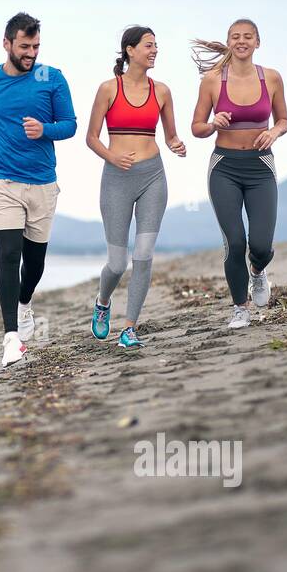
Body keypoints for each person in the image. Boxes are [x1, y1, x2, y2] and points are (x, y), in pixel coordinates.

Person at [0, 12, 76, 366]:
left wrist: (45, 130)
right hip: (1, 180)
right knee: (9, 254)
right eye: (25, 46)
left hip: (42, 181)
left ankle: (25, 303)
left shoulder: (51, 78)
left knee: (35, 263)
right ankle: (11, 338)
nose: (31, 53)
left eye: (36, 46)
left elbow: (69, 124)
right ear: (7, 43)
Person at [84, 26, 186, 348]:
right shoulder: (108, 89)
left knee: (143, 254)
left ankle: (129, 328)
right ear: (130, 50)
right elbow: (91, 138)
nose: (154, 51)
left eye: (156, 46)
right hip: (116, 179)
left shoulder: (163, 91)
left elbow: (170, 135)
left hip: (153, 175)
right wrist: (113, 157)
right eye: (148, 45)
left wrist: (176, 144)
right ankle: (102, 303)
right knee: (117, 263)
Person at [189, 19, 287, 328]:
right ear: (229, 42)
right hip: (225, 168)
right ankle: (240, 309)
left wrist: (273, 132)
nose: (242, 41)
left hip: (261, 168)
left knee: (260, 245)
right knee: (235, 242)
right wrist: (212, 125)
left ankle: (258, 273)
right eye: (236, 36)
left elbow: (284, 120)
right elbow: (196, 128)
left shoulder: (271, 78)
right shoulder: (212, 80)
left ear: (257, 43)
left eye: (248, 37)